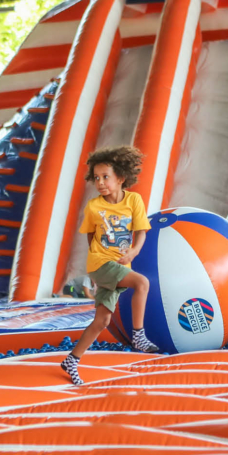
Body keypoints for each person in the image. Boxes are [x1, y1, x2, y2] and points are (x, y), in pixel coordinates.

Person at [61, 145, 158, 385]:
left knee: (102, 321)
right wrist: (96, 270)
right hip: (102, 263)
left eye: (106, 177)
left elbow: (141, 231)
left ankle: (71, 360)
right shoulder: (94, 207)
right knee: (142, 283)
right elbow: (90, 236)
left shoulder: (133, 200)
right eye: (96, 178)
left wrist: (133, 252)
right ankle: (138, 336)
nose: (101, 182)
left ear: (121, 179)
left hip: (119, 264)